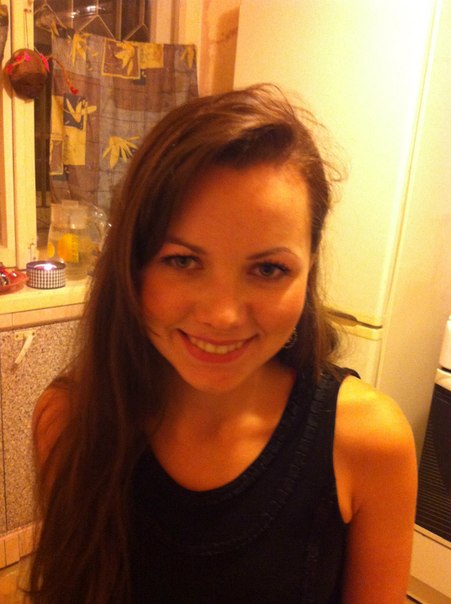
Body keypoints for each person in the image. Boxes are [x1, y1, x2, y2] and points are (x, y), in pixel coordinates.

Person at [30, 84, 417, 603]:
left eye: (268, 269)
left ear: (309, 268)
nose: (222, 315)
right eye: (183, 260)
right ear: (132, 263)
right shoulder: (71, 418)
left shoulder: (367, 442)